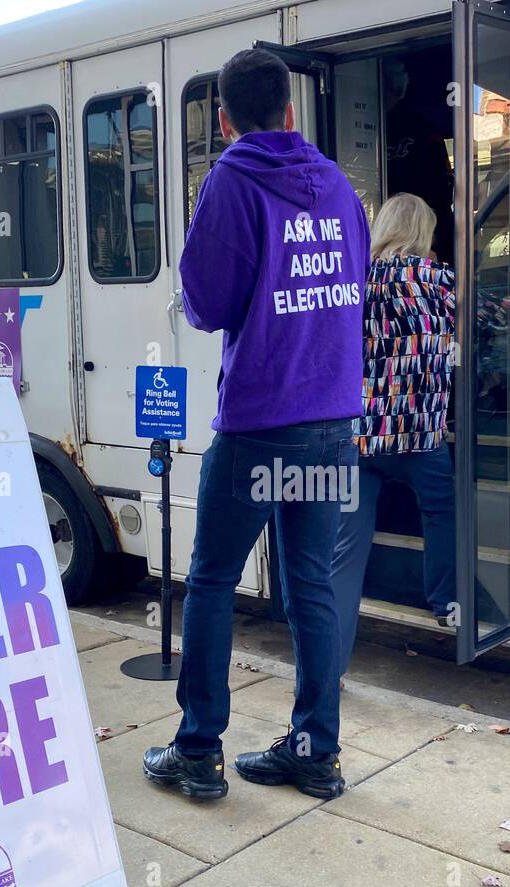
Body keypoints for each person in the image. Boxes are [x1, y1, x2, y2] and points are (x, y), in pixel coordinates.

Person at [142, 48, 370, 802]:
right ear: (293, 111)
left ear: (223, 116)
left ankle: (199, 748)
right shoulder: (339, 187)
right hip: (333, 418)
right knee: (312, 585)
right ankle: (315, 750)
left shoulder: (230, 181)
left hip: (260, 418)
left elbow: (205, 304)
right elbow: (352, 288)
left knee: (210, 576)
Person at [331, 193, 455, 672]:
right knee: (444, 511)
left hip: (360, 438)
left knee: (345, 554)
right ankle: (446, 602)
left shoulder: (353, 281)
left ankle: (330, 669)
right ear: (423, 233)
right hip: (422, 438)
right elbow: (496, 320)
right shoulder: (441, 282)